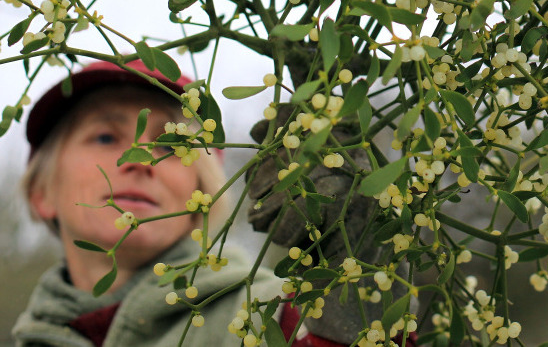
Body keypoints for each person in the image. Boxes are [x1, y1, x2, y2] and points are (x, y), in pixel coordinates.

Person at [11, 59, 373, 347]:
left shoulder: (274, 316)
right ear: (42, 193)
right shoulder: (30, 336)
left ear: (202, 193)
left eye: (170, 145)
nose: (140, 159)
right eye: (105, 136)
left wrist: (357, 283)